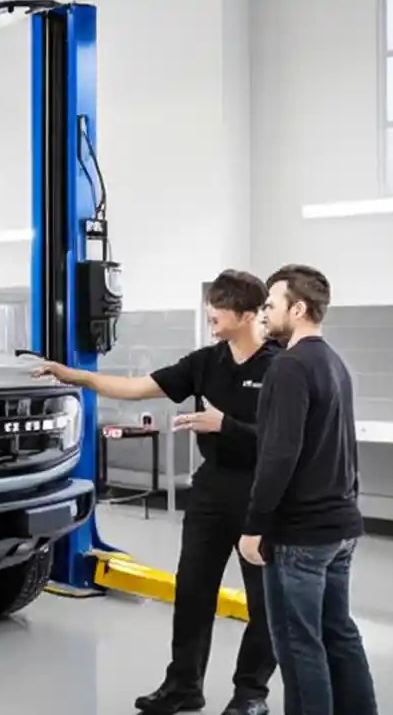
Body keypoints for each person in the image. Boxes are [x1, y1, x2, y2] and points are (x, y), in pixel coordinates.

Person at [33, 269, 279, 715]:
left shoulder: (280, 367)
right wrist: (75, 376)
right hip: (211, 490)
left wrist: (226, 426)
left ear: (245, 315)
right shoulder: (206, 361)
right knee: (192, 592)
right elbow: (137, 388)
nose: (211, 314)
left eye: (218, 309)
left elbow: (287, 442)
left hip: (260, 492)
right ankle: (184, 686)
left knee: (264, 602)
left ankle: (250, 695)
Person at [237, 265, 377, 715]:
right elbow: (345, 446)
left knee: (299, 646)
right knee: (339, 633)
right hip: (340, 528)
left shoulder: (289, 367)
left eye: (271, 305)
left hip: (299, 536)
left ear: (297, 309)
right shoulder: (334, 362)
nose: (265, 313)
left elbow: (279, 455)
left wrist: (255, 526)